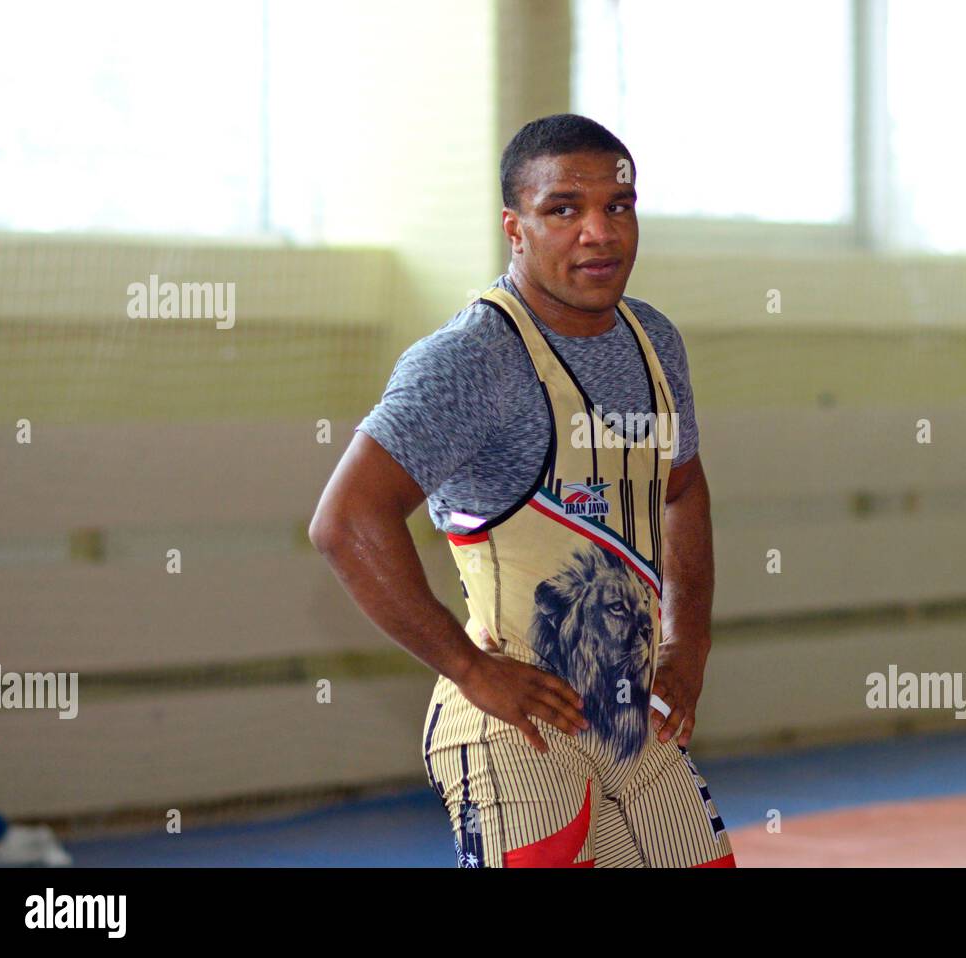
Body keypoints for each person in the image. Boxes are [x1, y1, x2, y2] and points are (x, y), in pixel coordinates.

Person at [309, 114, 735, 868]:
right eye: (564, 209)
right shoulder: (473, 358)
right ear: (515, 227)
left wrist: (687, 639)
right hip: (518, 729)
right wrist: (470, 669)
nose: (599, 232)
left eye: (619, 207)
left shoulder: (654, 340)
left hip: (628, 719)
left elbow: (683, 489)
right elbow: (345, 521)